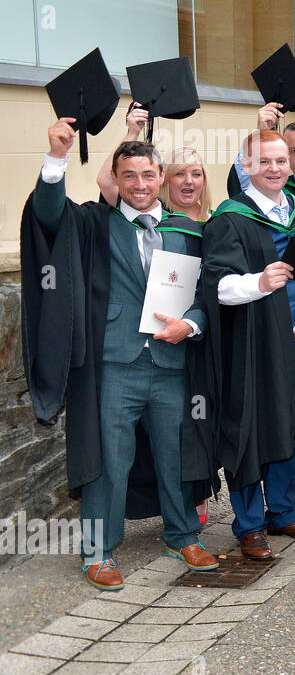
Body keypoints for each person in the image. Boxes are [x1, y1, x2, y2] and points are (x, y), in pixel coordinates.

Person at [23, 123, 217, 589]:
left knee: (175, 455)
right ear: (117, 178)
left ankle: (182, 534)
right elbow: (47, 216)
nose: (140, 184)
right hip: (115, 365)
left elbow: (202, 295)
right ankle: (98, 551)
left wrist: (189, 324)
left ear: (161, 176)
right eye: (129, 176)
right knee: (110, 462)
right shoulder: (94, 223)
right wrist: (56, 158)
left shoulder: (185, 230)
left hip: (170, 364)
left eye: (148, 175)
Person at [201, 129, 295, 560]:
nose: (275, 169)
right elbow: (216, 286)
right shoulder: (230, 218)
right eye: (266, 162)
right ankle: (250, 525)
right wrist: (258, 282)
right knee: (251, 431)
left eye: (281, 161)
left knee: (290, 426)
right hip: (252, 346)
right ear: (248, 166)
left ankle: (281, 512)